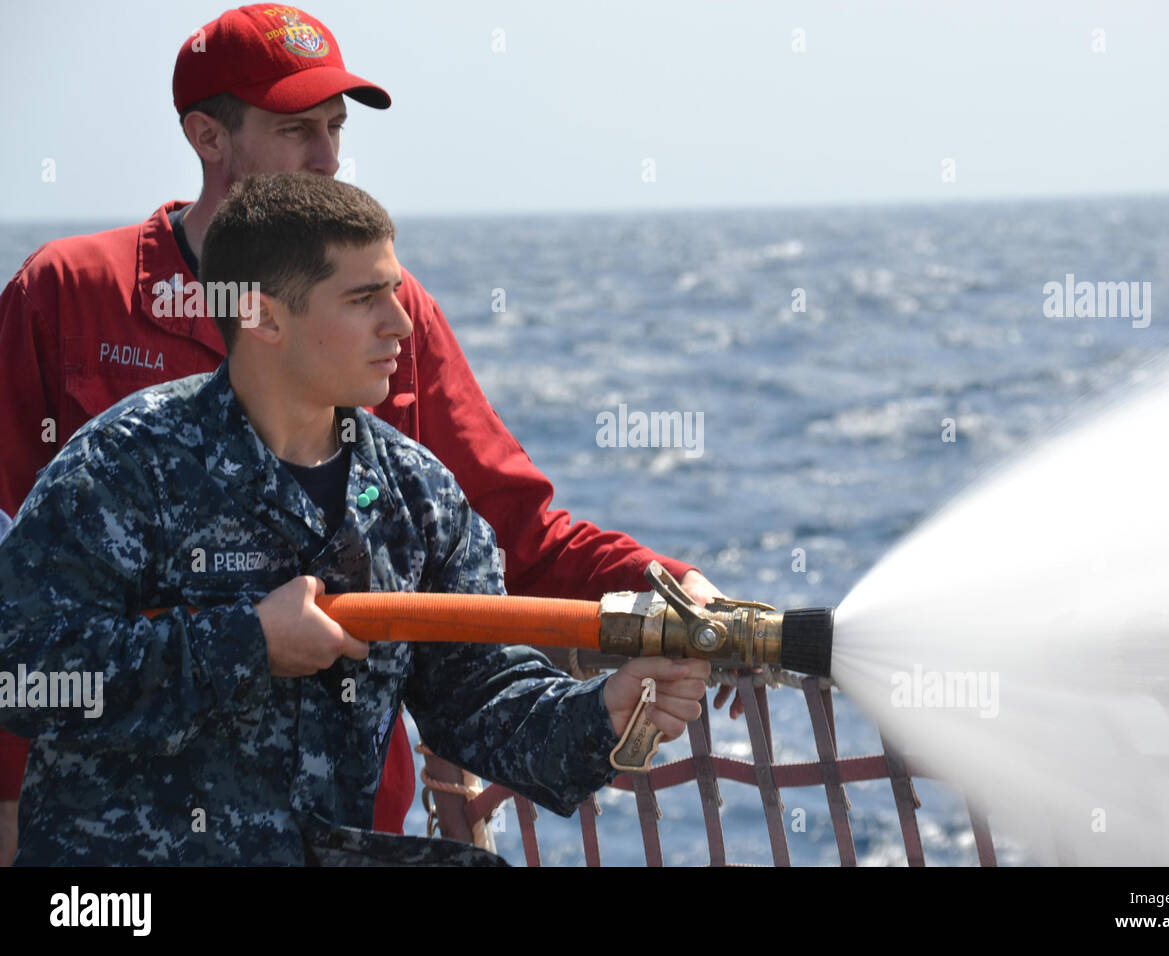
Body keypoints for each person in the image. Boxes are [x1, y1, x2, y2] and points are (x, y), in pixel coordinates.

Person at [0, 4, 733, 863]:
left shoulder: (414, 479)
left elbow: (498, 589)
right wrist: (245, 647)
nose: (327, 154)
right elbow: (23, 648)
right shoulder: (92, 361)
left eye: (336, 128)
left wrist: (627, 667)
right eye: (297, 128)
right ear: (207, 136)